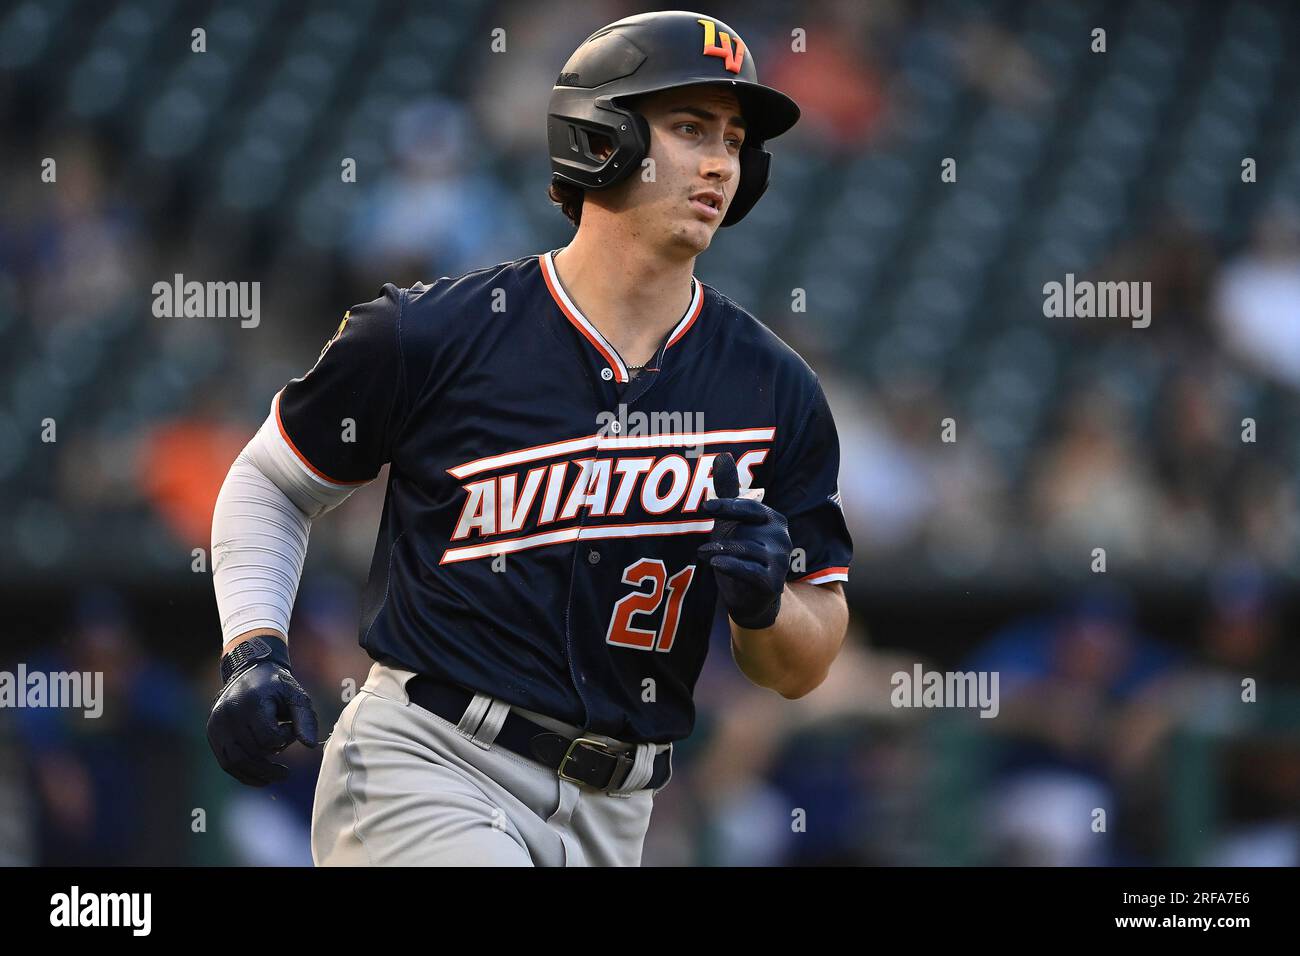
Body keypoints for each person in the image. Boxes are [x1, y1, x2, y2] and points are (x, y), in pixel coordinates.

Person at [205, 10, 852, 867]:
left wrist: (768, 608)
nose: (720, 162)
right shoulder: (433, 334)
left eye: (734, 140)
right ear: (600, 137)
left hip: (620, 811)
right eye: (691, 127)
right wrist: (254, 649)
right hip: (430, 762)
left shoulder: (775, 387)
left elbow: (802, 663)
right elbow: (273, 481)